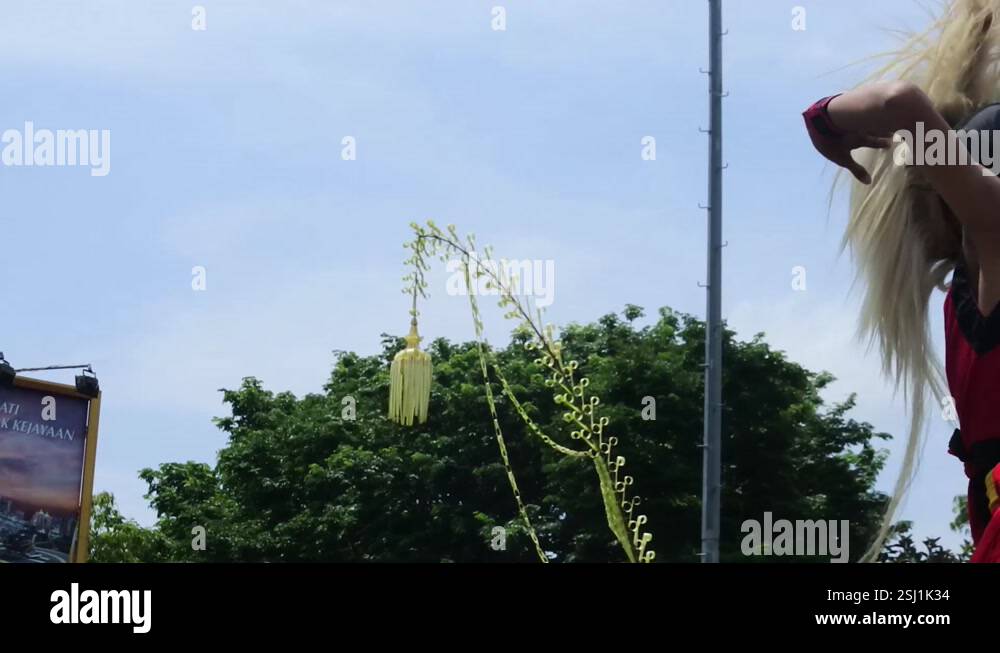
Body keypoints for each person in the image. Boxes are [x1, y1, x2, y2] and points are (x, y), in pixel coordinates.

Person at [802, 0, 1000, 561]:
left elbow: (897, 105)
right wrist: (822, 119)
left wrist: (825, 118)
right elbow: (899, 103)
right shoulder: (994, 241)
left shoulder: (968, 286)